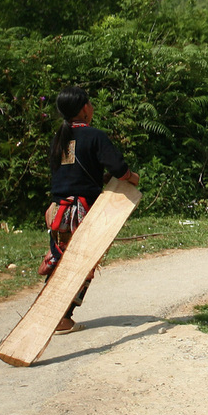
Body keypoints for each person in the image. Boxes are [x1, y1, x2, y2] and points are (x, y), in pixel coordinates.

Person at [44, 86, 139, 334]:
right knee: (81, 263)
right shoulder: (94, 136)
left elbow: (64, 174)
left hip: (57, 211)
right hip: (80, 211)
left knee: (62, 261)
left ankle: (49, 314)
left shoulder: (59, 137)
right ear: (85, 108)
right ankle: (61, 317)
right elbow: (118, 167)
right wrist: (131, 177)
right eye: (90, 103)